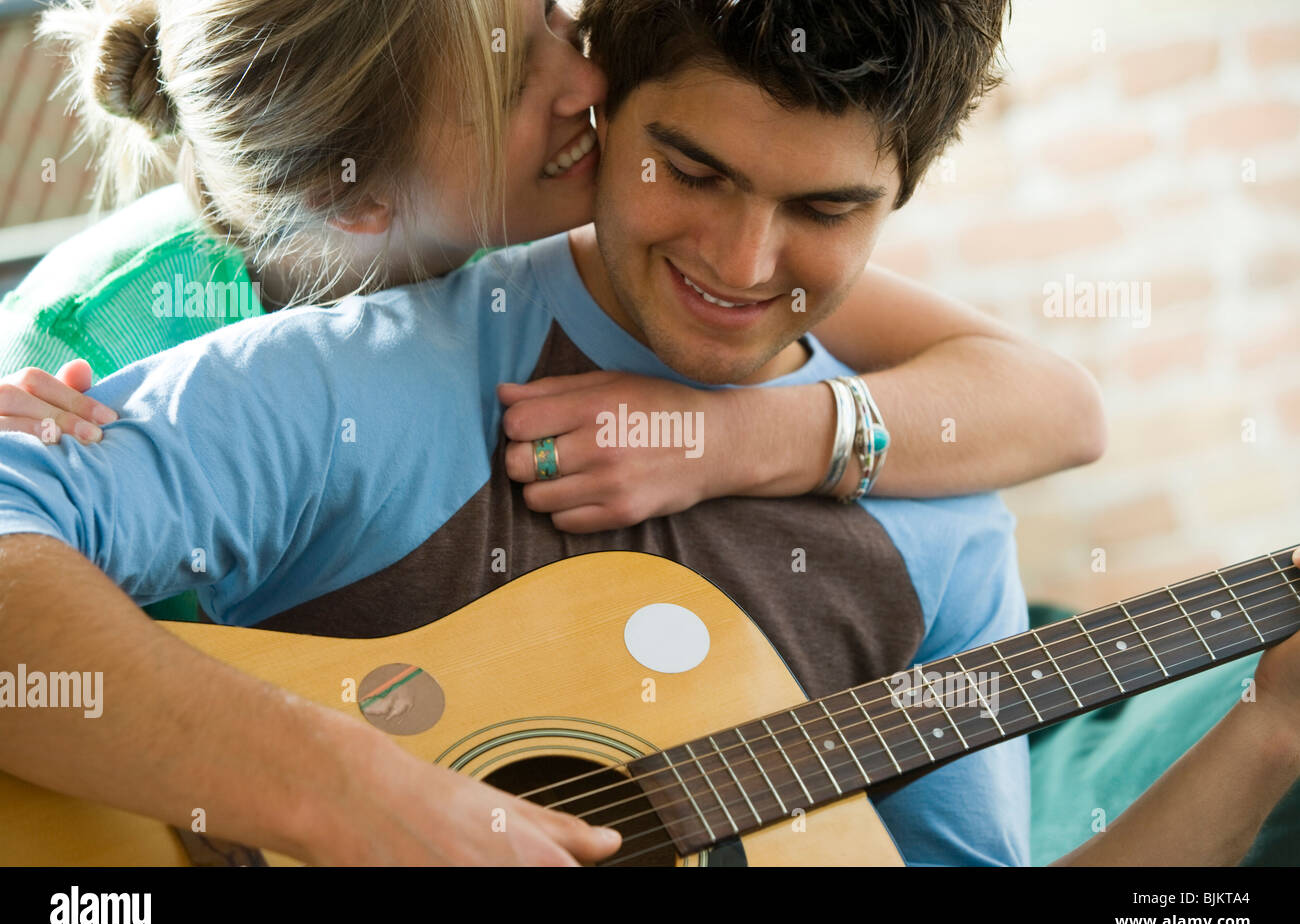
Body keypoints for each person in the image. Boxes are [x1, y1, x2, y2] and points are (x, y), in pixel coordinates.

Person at [2, 0, 1295, 867]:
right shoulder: (350, 366)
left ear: (908, 186)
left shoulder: (945, 524)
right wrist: (356, 793)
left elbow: (1064, 404)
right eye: (693, 168)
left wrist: (1265, 736)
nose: (743, 262)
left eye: (828, 206)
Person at [0, 0, 1105, 541]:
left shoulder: (568, 240)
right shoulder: (93, 335)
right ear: (358, 198)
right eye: (519, 85)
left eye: (555, 22)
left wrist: (725, 437)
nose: (590, 83)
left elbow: (1055, 406)